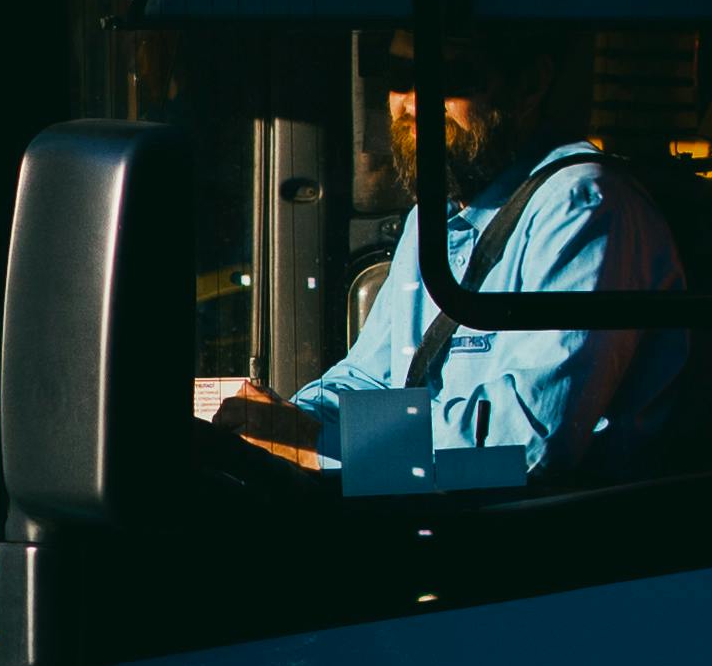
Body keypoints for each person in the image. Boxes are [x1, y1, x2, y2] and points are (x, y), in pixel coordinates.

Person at [212, 27, 687, 484]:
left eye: (451, 79)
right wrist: (277, 421)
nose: (413, 104)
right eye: (400, 78)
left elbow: (528, 444)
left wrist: (318, 444)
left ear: (529, 85)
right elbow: (373, 377)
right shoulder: (435, 213)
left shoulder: (583, 209)